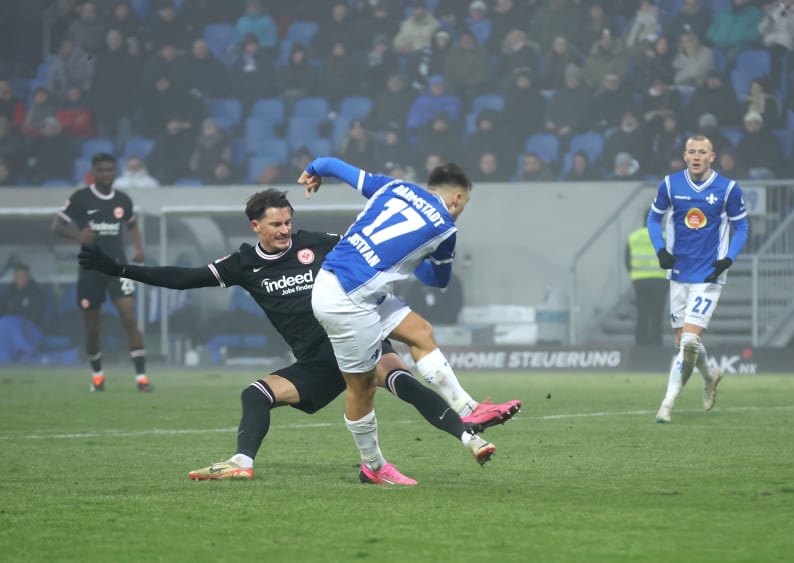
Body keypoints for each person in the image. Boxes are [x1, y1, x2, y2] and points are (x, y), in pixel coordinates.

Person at [78, 189, 499, 483]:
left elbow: (371, 250)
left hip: (351, 332)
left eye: (288, 222)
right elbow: (184, 278)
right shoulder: (243, 264)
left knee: (398, 376)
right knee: (255, 393)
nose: (285, 230)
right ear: (255, 226)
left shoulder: (317, 244)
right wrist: (119, 269)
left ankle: (470, 436)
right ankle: (241, 462)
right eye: (276, 224)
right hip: (316, 360)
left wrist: (426, 254)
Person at [298, 157, 521, 484]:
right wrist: (413, 256)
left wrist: (314, 170)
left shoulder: (394, 186)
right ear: (456, 198)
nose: (461, 210)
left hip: (338, 281)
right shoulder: (445, 228)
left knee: (420, 332)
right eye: (465, 204)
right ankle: (373, 467)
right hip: (346, 302)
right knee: (361, 390)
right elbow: (438, 280)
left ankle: (469, 407)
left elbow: (331, 163)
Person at [647, 135, 750, 423]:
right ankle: (710, 375)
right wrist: (660, 250)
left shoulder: (728, 189)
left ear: (712, 157)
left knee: (690, 341)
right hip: (679, 273)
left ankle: (666, 405)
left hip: (709, 274)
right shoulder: (670, 184)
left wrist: (728, 258)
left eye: (702, 152)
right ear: (685, 156)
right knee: (683, 344)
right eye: (691, 151)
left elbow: (742, 226)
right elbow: (653, 219)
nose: (696, 156)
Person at [52, 153, 150, 392]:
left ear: (115, 172)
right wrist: (78, 236)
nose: (106, 174)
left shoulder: (123, 200)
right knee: (93, 327)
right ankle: (97, 377)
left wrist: (137, 248)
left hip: (118, 266)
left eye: (110, 170)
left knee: (129, 317)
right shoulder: (81, 198)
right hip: (90, 268)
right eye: (102, 170)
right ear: (93, 172)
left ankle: (141, 379)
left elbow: (132, 226)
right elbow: (57, 225)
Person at [625, 215, 667, 347]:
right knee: (657, 315)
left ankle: (641, 345)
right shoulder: (665, 237)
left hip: (640, 281)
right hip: (660, 281)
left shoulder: (633, 237)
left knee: (642, 313)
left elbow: (627, 260)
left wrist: (635, 274)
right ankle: (656, 345)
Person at [0, 263, 47, 363]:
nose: (21, 278)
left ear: (29, 276)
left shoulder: (36, 292)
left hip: (29, 327)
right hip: (7, 326)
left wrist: (16, 320)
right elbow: (2, 309)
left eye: (23, 276)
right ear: (15, 276)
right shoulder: (9, 290)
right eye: (18, 276)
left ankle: (27, 350)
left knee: (10, 325)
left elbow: (36, 316)